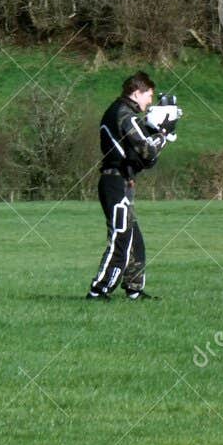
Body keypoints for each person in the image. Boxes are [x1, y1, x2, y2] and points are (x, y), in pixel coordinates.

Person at [89, 71, 179, 300]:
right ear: (136, 92)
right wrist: (165, 133)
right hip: (115, 182)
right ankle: (98, 290)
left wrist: (156, 132)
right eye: (148, 95)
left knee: (134, 241)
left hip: (118, 181)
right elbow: (148, 154)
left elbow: (135, 152)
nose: (150, 101)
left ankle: (134, 289)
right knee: (121, 237)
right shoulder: (124, 115)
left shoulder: (119, 112)